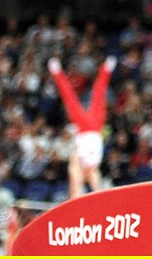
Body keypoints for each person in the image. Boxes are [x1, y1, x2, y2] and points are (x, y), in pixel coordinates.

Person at [48, 55, 115, 198]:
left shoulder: (77, 165)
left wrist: (76, 193)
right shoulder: (94, 170)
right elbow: (98, 191)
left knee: (70, 98)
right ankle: (106, 69)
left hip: (83, 128)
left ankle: (57, 72)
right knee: (99, 96)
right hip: (96, 128)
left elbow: (74, 189)